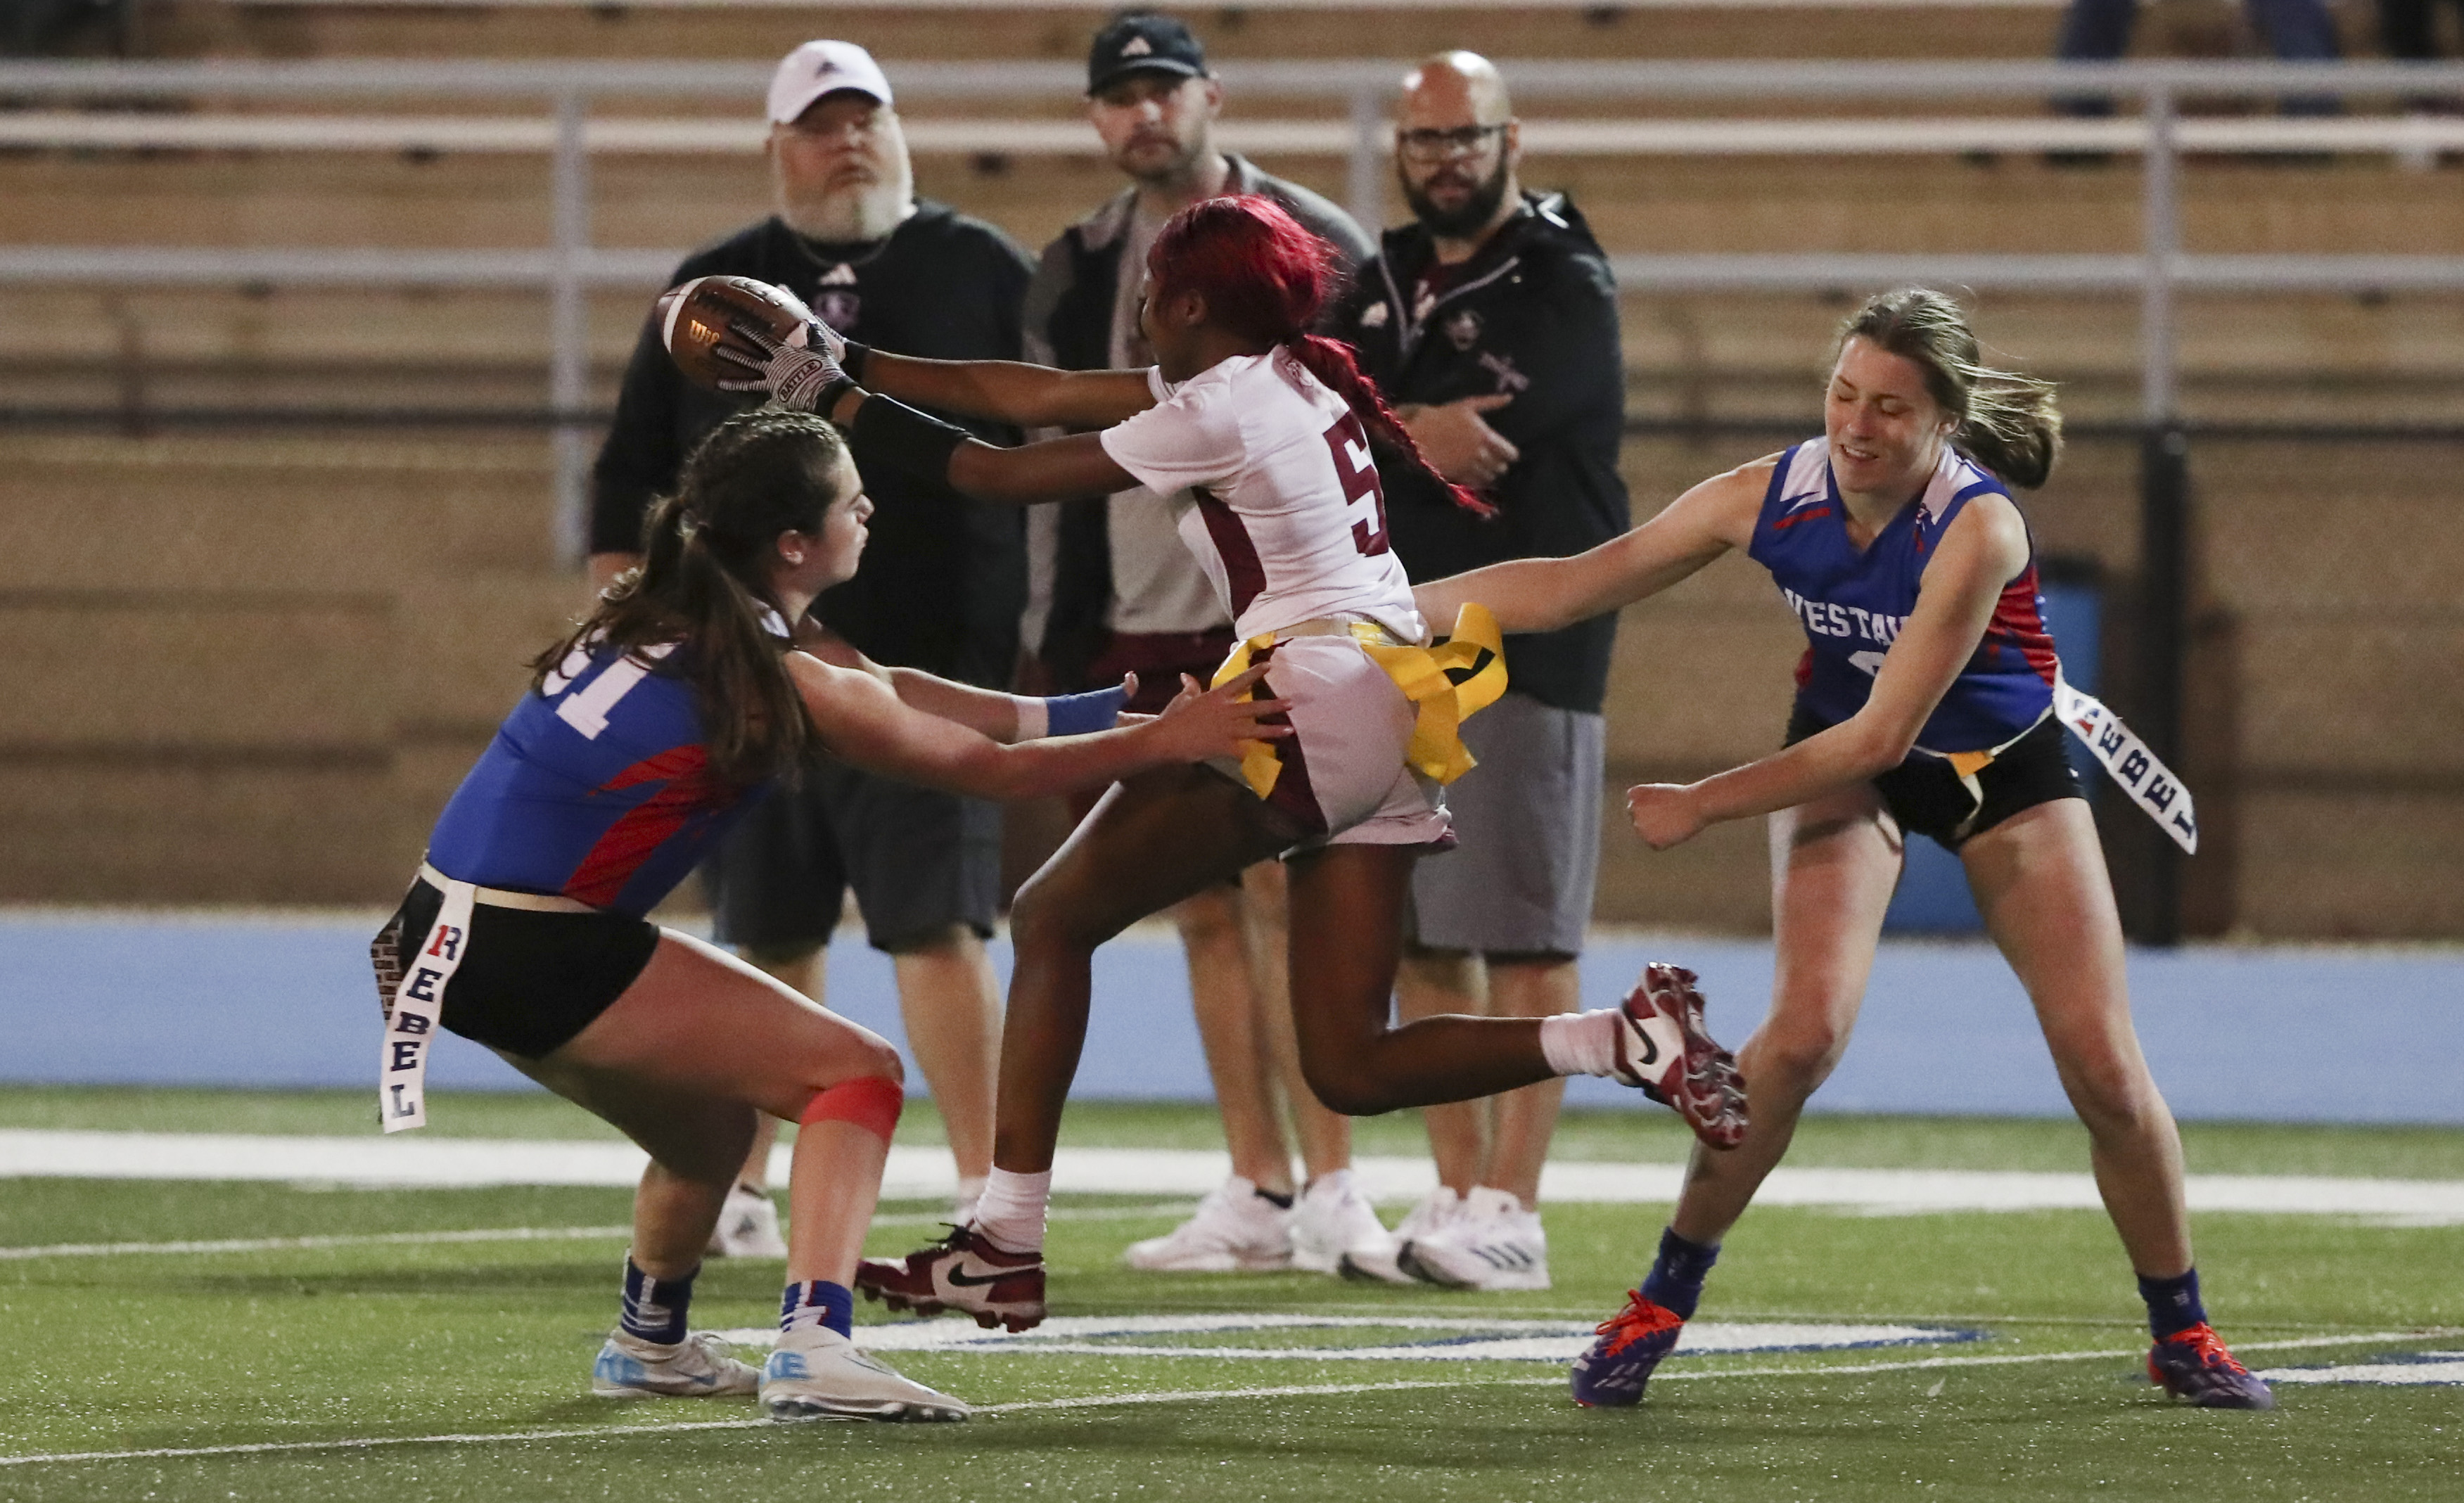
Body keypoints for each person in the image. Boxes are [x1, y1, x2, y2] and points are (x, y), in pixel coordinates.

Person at [697, 193, 1749, 1334]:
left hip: (1314, 689)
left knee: (1052, 918)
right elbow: (1033, 394)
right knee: (1350, 1063)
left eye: (1155, 288)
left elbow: (989, 471)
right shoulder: (1285, 379)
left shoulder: (1226, 403)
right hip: (1391, 702)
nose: (1142, 304)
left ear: (1194, 302)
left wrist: (832, 400)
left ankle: (1002, 1241)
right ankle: (1625, 1039)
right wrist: (849, 356)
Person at [1412, 287, 2275, 1412]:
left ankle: (2183, 1330)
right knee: (1801, 1037)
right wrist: (1392, 603)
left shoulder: (1979, 527)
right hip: (1843, 764)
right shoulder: (1767, 496)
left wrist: (1705, 803)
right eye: (1843, 395)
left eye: (1890, 409)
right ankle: (1658, 1302)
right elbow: (1573, 585)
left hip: (1995, 771)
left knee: (2105, 1069)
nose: (1856, 427)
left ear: (1944, 422)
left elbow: (1884, 734)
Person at [375, 408, 1287, 1421]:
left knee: (712, 1130)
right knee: (856, 1073)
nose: (868, 510)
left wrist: (1122, 715)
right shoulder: (769, 672)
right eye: (849, 500)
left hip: (445, 930)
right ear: (793, 545)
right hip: (528, 937)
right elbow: (987, 771)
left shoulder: (669, 609)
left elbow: (890, 689)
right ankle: (813, 1345)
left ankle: (648, 1342)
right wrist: (1168, 742)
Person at [589, 40, 1035, 1253]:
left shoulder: (981, 267)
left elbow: (1040, 457)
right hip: (750, 675)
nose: (849, 143)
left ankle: (988, 1188)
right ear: (776, 147)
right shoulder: (710, 294)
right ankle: (744, 1180)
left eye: (865, 119)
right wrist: (641, 643)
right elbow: (628, 482)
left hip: (932, 660)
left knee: (938, 924)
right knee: (768, 928)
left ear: (900, 130)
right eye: (821, 124)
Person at [1026, 9, 1400, 1281]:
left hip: (1279, 617)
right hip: (1137, 608)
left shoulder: (1309, 237)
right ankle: (1257, 1176)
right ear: (1095, 115)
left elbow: (1361, 426)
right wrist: (1049, 622)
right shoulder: (1076, 264)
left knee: (1288, 894)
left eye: (1164, 87)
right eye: (1120, 93)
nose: (1145, 111)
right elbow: (1051, 437)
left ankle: (1336, 1178)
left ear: (1210, 95)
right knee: (1194, 908)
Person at [1327, 51, 1630, 1293]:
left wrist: (1385, 427)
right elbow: (1324, 414)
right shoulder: (1382, 275)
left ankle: (1516, 1204)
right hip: (1397, 629)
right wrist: (1411, 426)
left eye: (1467, 136)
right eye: (1425, 139)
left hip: (1523, 639)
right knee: (1419, 930)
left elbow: (1495, 430)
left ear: (1514, 139)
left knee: (1521, 930)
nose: (1446, 159)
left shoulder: (1563, 276)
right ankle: (1456, 1189)